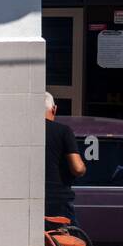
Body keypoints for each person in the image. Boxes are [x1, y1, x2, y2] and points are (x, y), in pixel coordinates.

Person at [45, 93, 86, 222]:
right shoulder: (63, 131)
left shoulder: (23, 131)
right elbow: (77, 169)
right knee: (70, 239)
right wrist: (84, 168)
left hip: (29, 198)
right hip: (58, 200)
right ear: (54, 109)